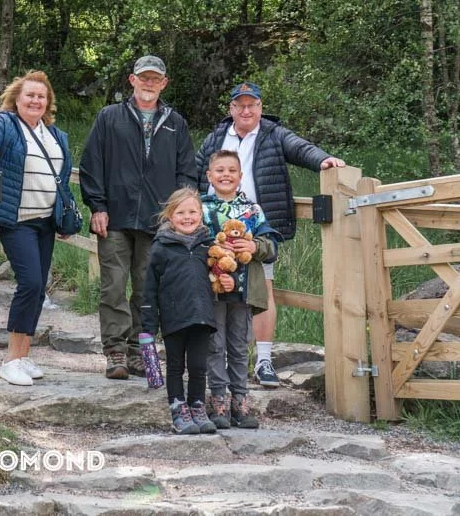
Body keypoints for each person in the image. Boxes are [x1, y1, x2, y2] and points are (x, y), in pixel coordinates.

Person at [195, 81, 345, 388]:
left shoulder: (273, 134)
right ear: (231, 109)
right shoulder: (215, 138)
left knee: (262, 289)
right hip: (212, 225)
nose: (247, 110)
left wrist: (324, 160)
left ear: (261, 108)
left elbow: (301, 148)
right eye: (241, 105)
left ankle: (263, 360)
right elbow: (194, 169)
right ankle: (214, 359)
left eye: (252, 105)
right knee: (212, 287)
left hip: (254, 226)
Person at [79, 55, 197, 380]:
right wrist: (97, 206)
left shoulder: (176, 123)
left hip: (158, 222)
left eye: (155, 78)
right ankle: (115, 352)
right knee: (113, 287)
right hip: (114, 218)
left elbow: (187, 172)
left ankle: (137, 352)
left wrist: (177, 215)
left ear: (164, 83)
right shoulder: (109, 117)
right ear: (132, 80)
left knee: (148, 290)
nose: (148, 83)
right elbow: (91, 164)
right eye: (143, 77)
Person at [0, 70, 74, 386]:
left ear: (47, 102)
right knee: (31, 283)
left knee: (39, 290)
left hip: (45, 222)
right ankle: (9, 360)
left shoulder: (56, 135)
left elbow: (61, 180)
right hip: (16, 221)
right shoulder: (7, 124)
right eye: (30, 95)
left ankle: (23, 355)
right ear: (17, 99)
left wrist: (66, 213)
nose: (36, 100)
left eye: (41, 96)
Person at [200, 150, 282, 429]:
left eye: (231, 170)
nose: (226, 175)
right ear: (209, 176)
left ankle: (240, 400)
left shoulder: (253, 210)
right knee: (215, 345)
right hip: (211, 288)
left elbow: (272, 247)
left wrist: (254, 246)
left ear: (240, 176)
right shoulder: (201, 208)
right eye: (219, 170)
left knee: (237, 345)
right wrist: (211, 248)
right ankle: (218, 399)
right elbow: (189, 242)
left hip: (244, 290)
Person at [142, 187, 227, 435]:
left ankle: (197, 406)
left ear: (201, 214)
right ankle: (178, 408)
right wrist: (148, 325)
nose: (187, 217)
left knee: (199, 365)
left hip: (202, 315)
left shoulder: (209, 247)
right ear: (170, 216)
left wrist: (228, 282)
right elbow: (149, 289)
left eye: (193, 212)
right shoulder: (161, 248)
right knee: (176, 365)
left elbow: (219, 277)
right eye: (181, 212)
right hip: (173, 317)